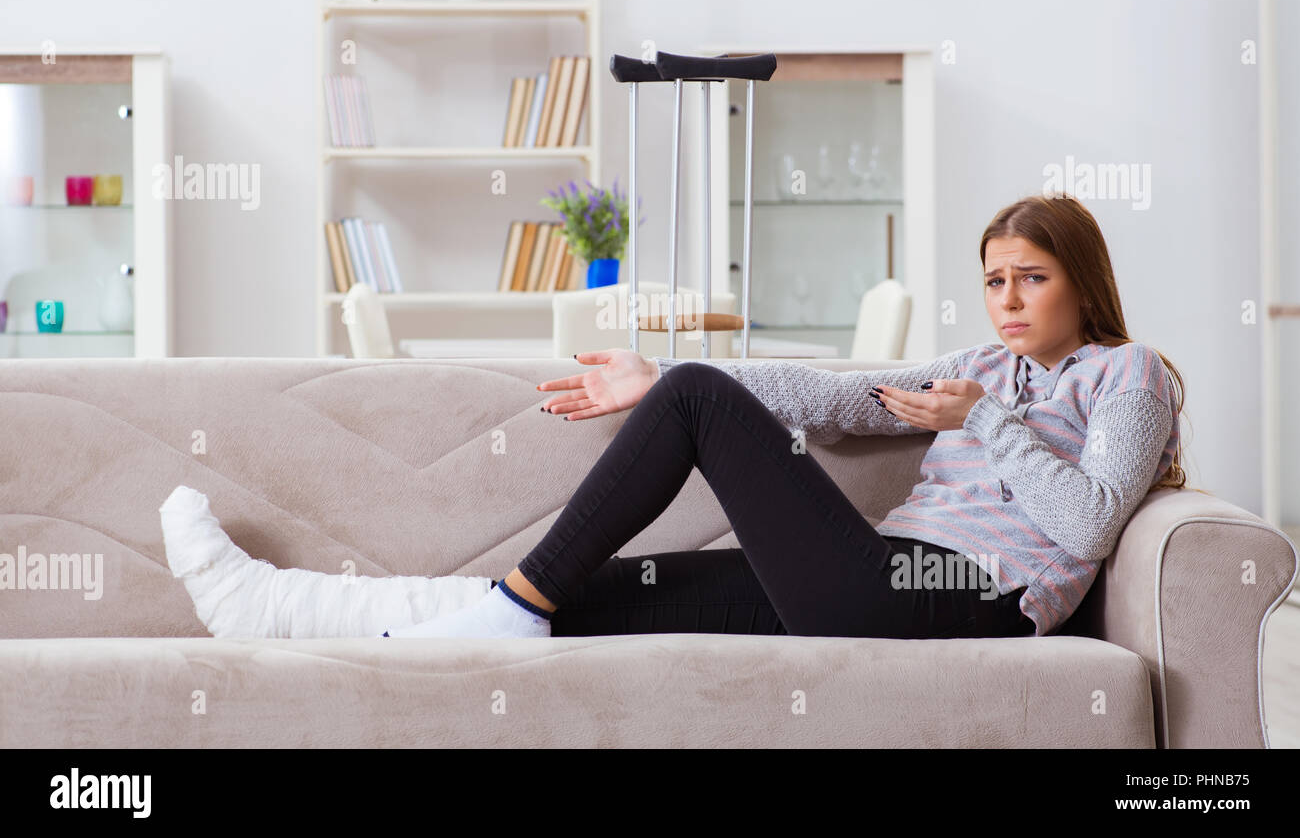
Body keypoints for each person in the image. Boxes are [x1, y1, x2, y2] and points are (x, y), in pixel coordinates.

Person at [159, 193, 1187, 641]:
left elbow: (1093, 520)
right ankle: (289, 612)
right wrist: (659, 384)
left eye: (1031, 279)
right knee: (599, 597)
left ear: (1077, 281)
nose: (1007, 300)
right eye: (994, 279)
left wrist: (985, 424)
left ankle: (510, 609)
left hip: (962, 602)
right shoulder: (973, 365)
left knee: (695, 392)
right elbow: (839, 401)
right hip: (877, 577)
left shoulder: (1126, 374)